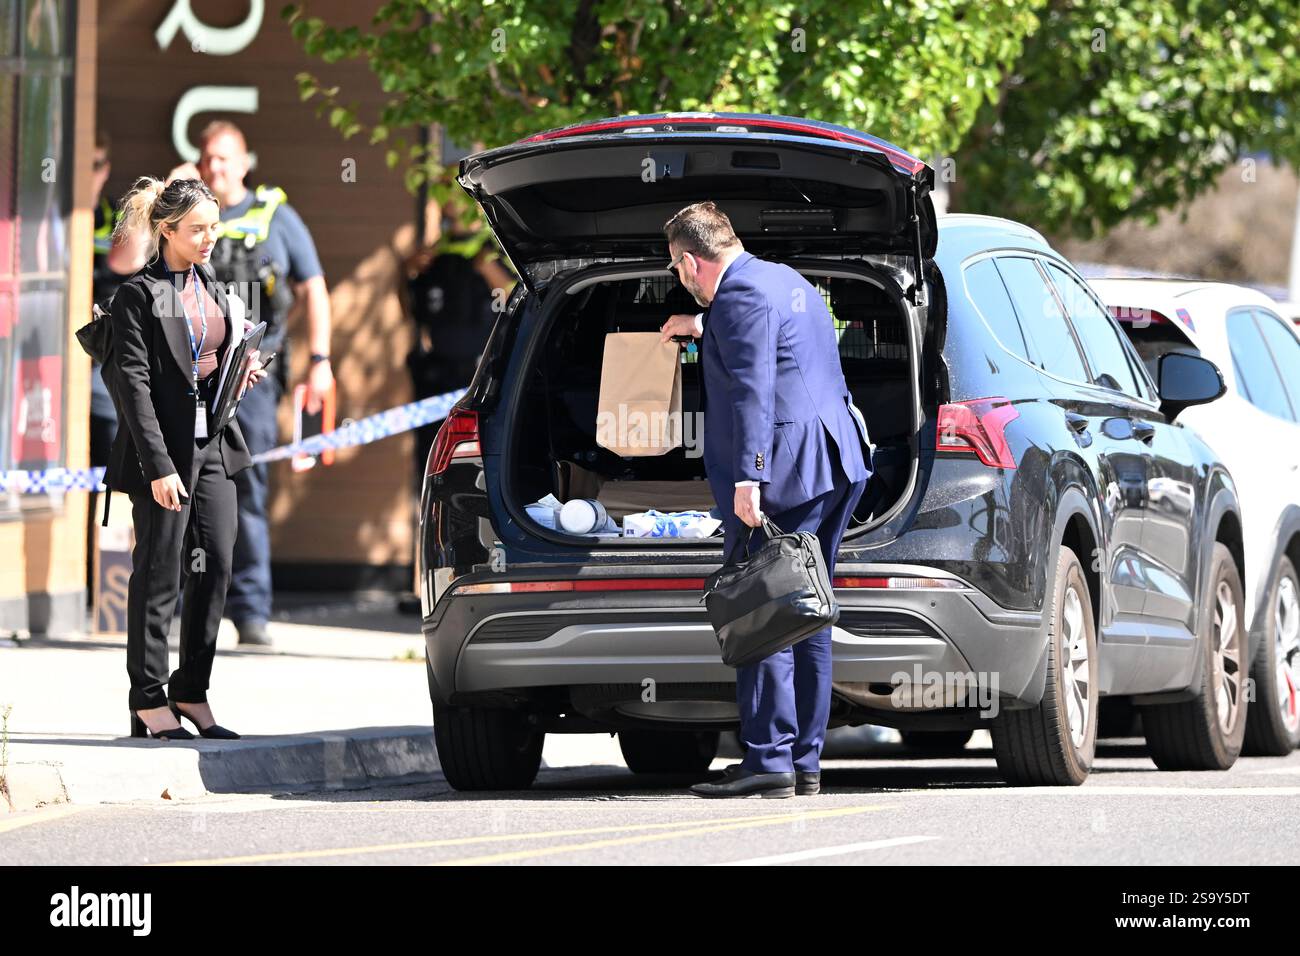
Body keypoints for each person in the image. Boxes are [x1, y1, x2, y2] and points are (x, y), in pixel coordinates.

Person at [658, 201, 871, 798]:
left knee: (767, 608)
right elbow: (772, 346)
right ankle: (804, 760)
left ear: (693, 262)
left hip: (783, 473)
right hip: (831, 461)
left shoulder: (737, 297)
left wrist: (749, 478)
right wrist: (699, 328)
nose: (681, 280)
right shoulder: (783, 279)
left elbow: (754, 388)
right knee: (809, 610)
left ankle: (768, 760)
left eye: (677, 271)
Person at [104, 175, 270, 740]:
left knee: (217, 562)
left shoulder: (214, 286)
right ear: (166, 229)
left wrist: (239, 368)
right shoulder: (138, 295)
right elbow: (132, 386)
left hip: (216, 445)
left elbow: (211, 354)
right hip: (164, 455)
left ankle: (190, 691)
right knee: (159, 572)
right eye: (197, 230)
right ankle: (147, 701)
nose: (208, 239)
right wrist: (159, 467)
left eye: (212, 229)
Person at [169, 120, 333, 647]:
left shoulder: (277, 218)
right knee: (184, 485)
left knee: (247, 488)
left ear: (244, 163)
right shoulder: (185, 219)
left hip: (254, 378)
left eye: (225, 159)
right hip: (192, 374)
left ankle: (251, 609)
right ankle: (184, 606)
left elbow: (314, 288)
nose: (216, 168)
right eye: (207, 159)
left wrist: (321, 359)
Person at [87, 129, 147, 605]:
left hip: (100, 364)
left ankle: (105, 589)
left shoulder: (110, 216)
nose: (90, 174)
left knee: (110, 462)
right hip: (48, 363)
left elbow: (124, 259)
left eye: (97, 164)